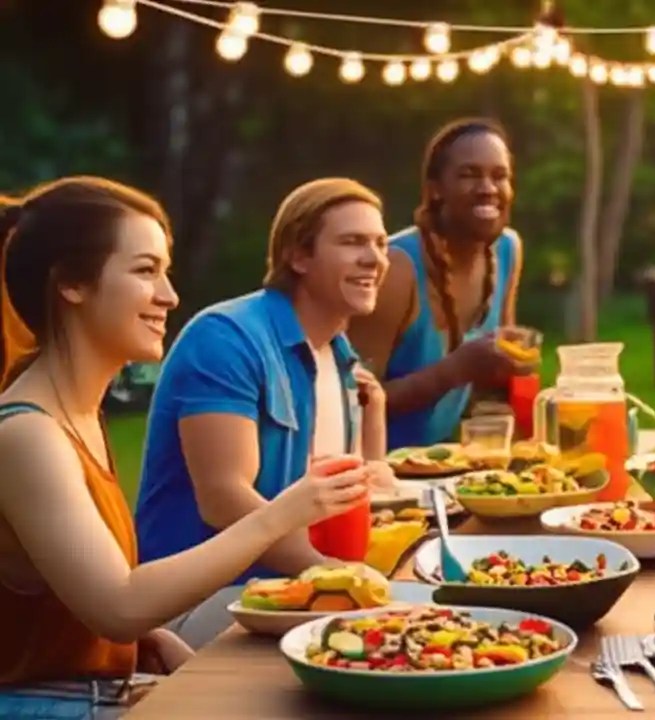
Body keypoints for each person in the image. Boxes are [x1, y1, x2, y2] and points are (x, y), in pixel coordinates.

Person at [0, 177, 370, 717]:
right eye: (146, 271)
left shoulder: (74, 415)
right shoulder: (27, 435)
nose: (170, 295)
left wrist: (149, 640)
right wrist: (281, 514)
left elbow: (84, 600)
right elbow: (119, 604)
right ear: (72, 284)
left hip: (100, 693)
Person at [135, 177, 393, 649]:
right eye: (353, 242)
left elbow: (340, 494)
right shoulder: (226, 338)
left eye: (379, 243)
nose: (375, 258)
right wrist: (333, 575)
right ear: (298, 256)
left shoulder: (338, 355)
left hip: (287, 589)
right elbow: (223, 497)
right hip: (201, 605)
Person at [347, 118, 532, 450]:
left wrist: (510, 367)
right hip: (375, 471)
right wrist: (454, 370)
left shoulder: (506, 250)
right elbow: (350, 404)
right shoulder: (395, 269)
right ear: (435, 189)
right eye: (468, 174)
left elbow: (493, 383)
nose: (488, 187)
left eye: (499, 175)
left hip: (445, 465)